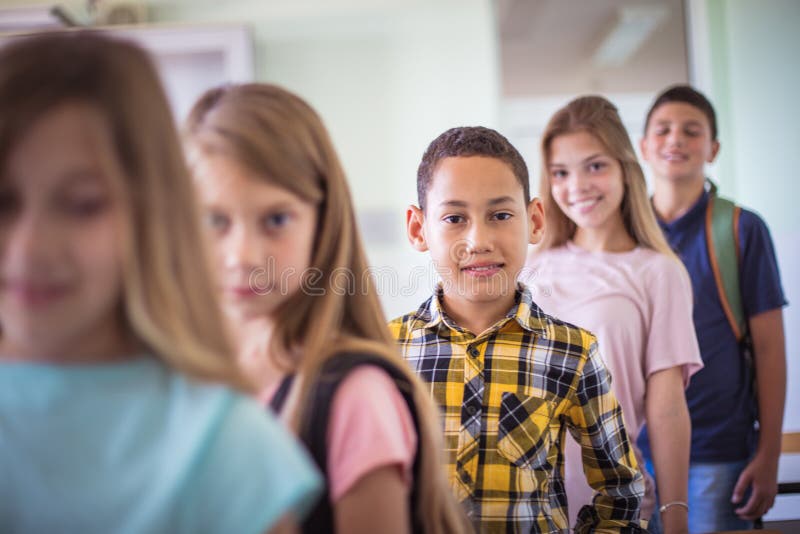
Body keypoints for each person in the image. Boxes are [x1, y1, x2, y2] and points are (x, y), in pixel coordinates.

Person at [0, 32, 320, 534]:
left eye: (82, 205)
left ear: (153, 214)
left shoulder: (221, 445)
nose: (29, 249)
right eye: (3, 203)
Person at [184, 83, 471, 534]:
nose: (243, 255)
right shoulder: (188, 376)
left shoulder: (355, 397)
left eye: (276, 219)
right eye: (214, 220)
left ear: (323, 223)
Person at [388, 126, 646, 533]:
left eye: (500, 215)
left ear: (535, 221)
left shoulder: (573, 352)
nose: (478, 240)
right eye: (454, 218)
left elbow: (621, 493)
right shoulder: (386, 352)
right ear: (419, 229)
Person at [522, 95, 703, 533]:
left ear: (626, 168)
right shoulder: (530, 268)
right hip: (527, 506)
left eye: (595, 166)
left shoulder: (659, 272)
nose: (577, 186)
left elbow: (667, 408)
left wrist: (675, 516)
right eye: (561, 173)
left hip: (612, 507)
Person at [638, 84, 787, 531]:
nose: (675, 139)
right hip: (634, 450)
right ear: (643, 147)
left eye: (691, 130)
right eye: (663, 129)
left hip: (718, 451)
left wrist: (769, 454)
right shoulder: (626, 232)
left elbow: (770, 350)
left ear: (713, 148)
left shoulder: (742, 229)